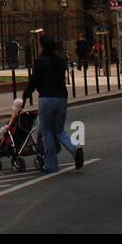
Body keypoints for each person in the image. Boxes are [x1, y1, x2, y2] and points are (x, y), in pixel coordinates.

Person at [22, 35, 83, 173]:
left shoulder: (40, 61)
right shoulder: (60, 61)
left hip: (47, 98)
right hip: (61, 97)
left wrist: (26, 94)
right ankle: (76, 148)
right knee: (60, 130)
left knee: (47, 132)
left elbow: (34, 80)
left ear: (42, 46)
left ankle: (51, 164)